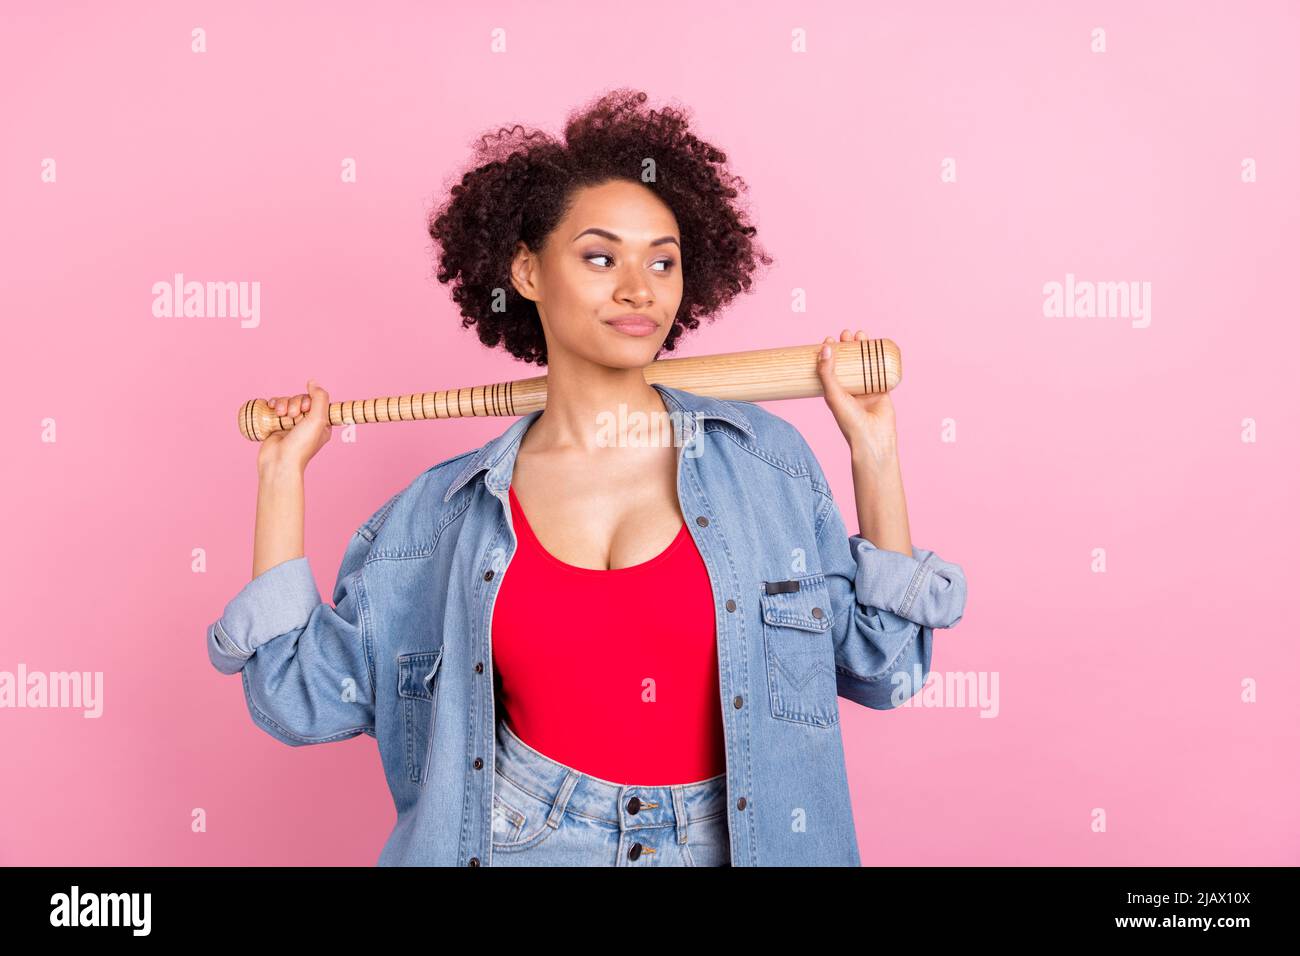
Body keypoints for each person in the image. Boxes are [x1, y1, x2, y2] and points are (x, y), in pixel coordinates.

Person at [207, 89, 967, 866]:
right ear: (528, 272)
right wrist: (281, 478)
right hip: (520, 840)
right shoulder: (444, 516)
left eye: (662, 261)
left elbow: (887, 670)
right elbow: (296, 699)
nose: (639, 288)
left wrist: (872, 451)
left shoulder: (765, 465)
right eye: (601, 257)